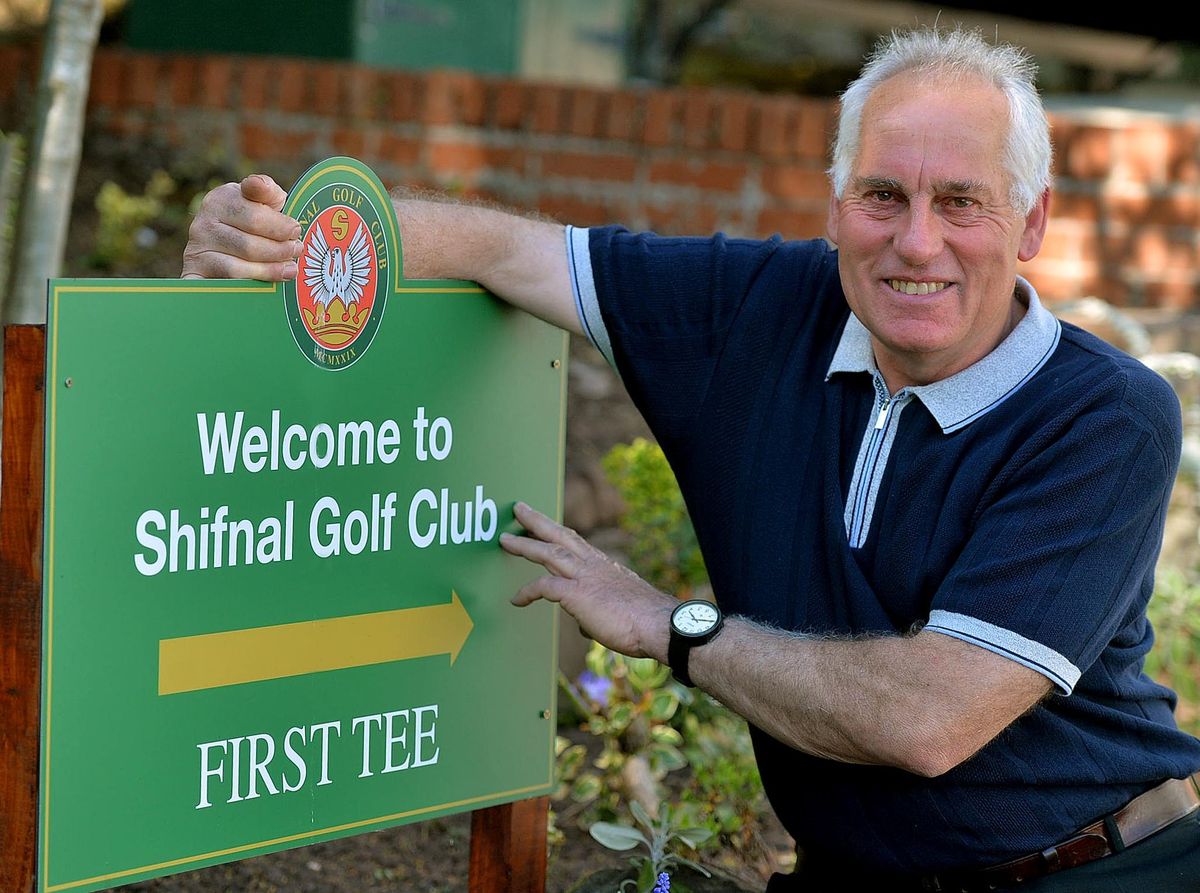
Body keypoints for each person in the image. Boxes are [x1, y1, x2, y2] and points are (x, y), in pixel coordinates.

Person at [182, 27, 1200, 893]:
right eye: (883, 195)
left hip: (1098, 867)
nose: (916, 241)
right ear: (838, 200)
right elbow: (506, 251)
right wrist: (293, 239)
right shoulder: (756, 312)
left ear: (1031, 221)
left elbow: (927, 718)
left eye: (963, 203)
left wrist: (669, 624)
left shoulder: (1106, 417)